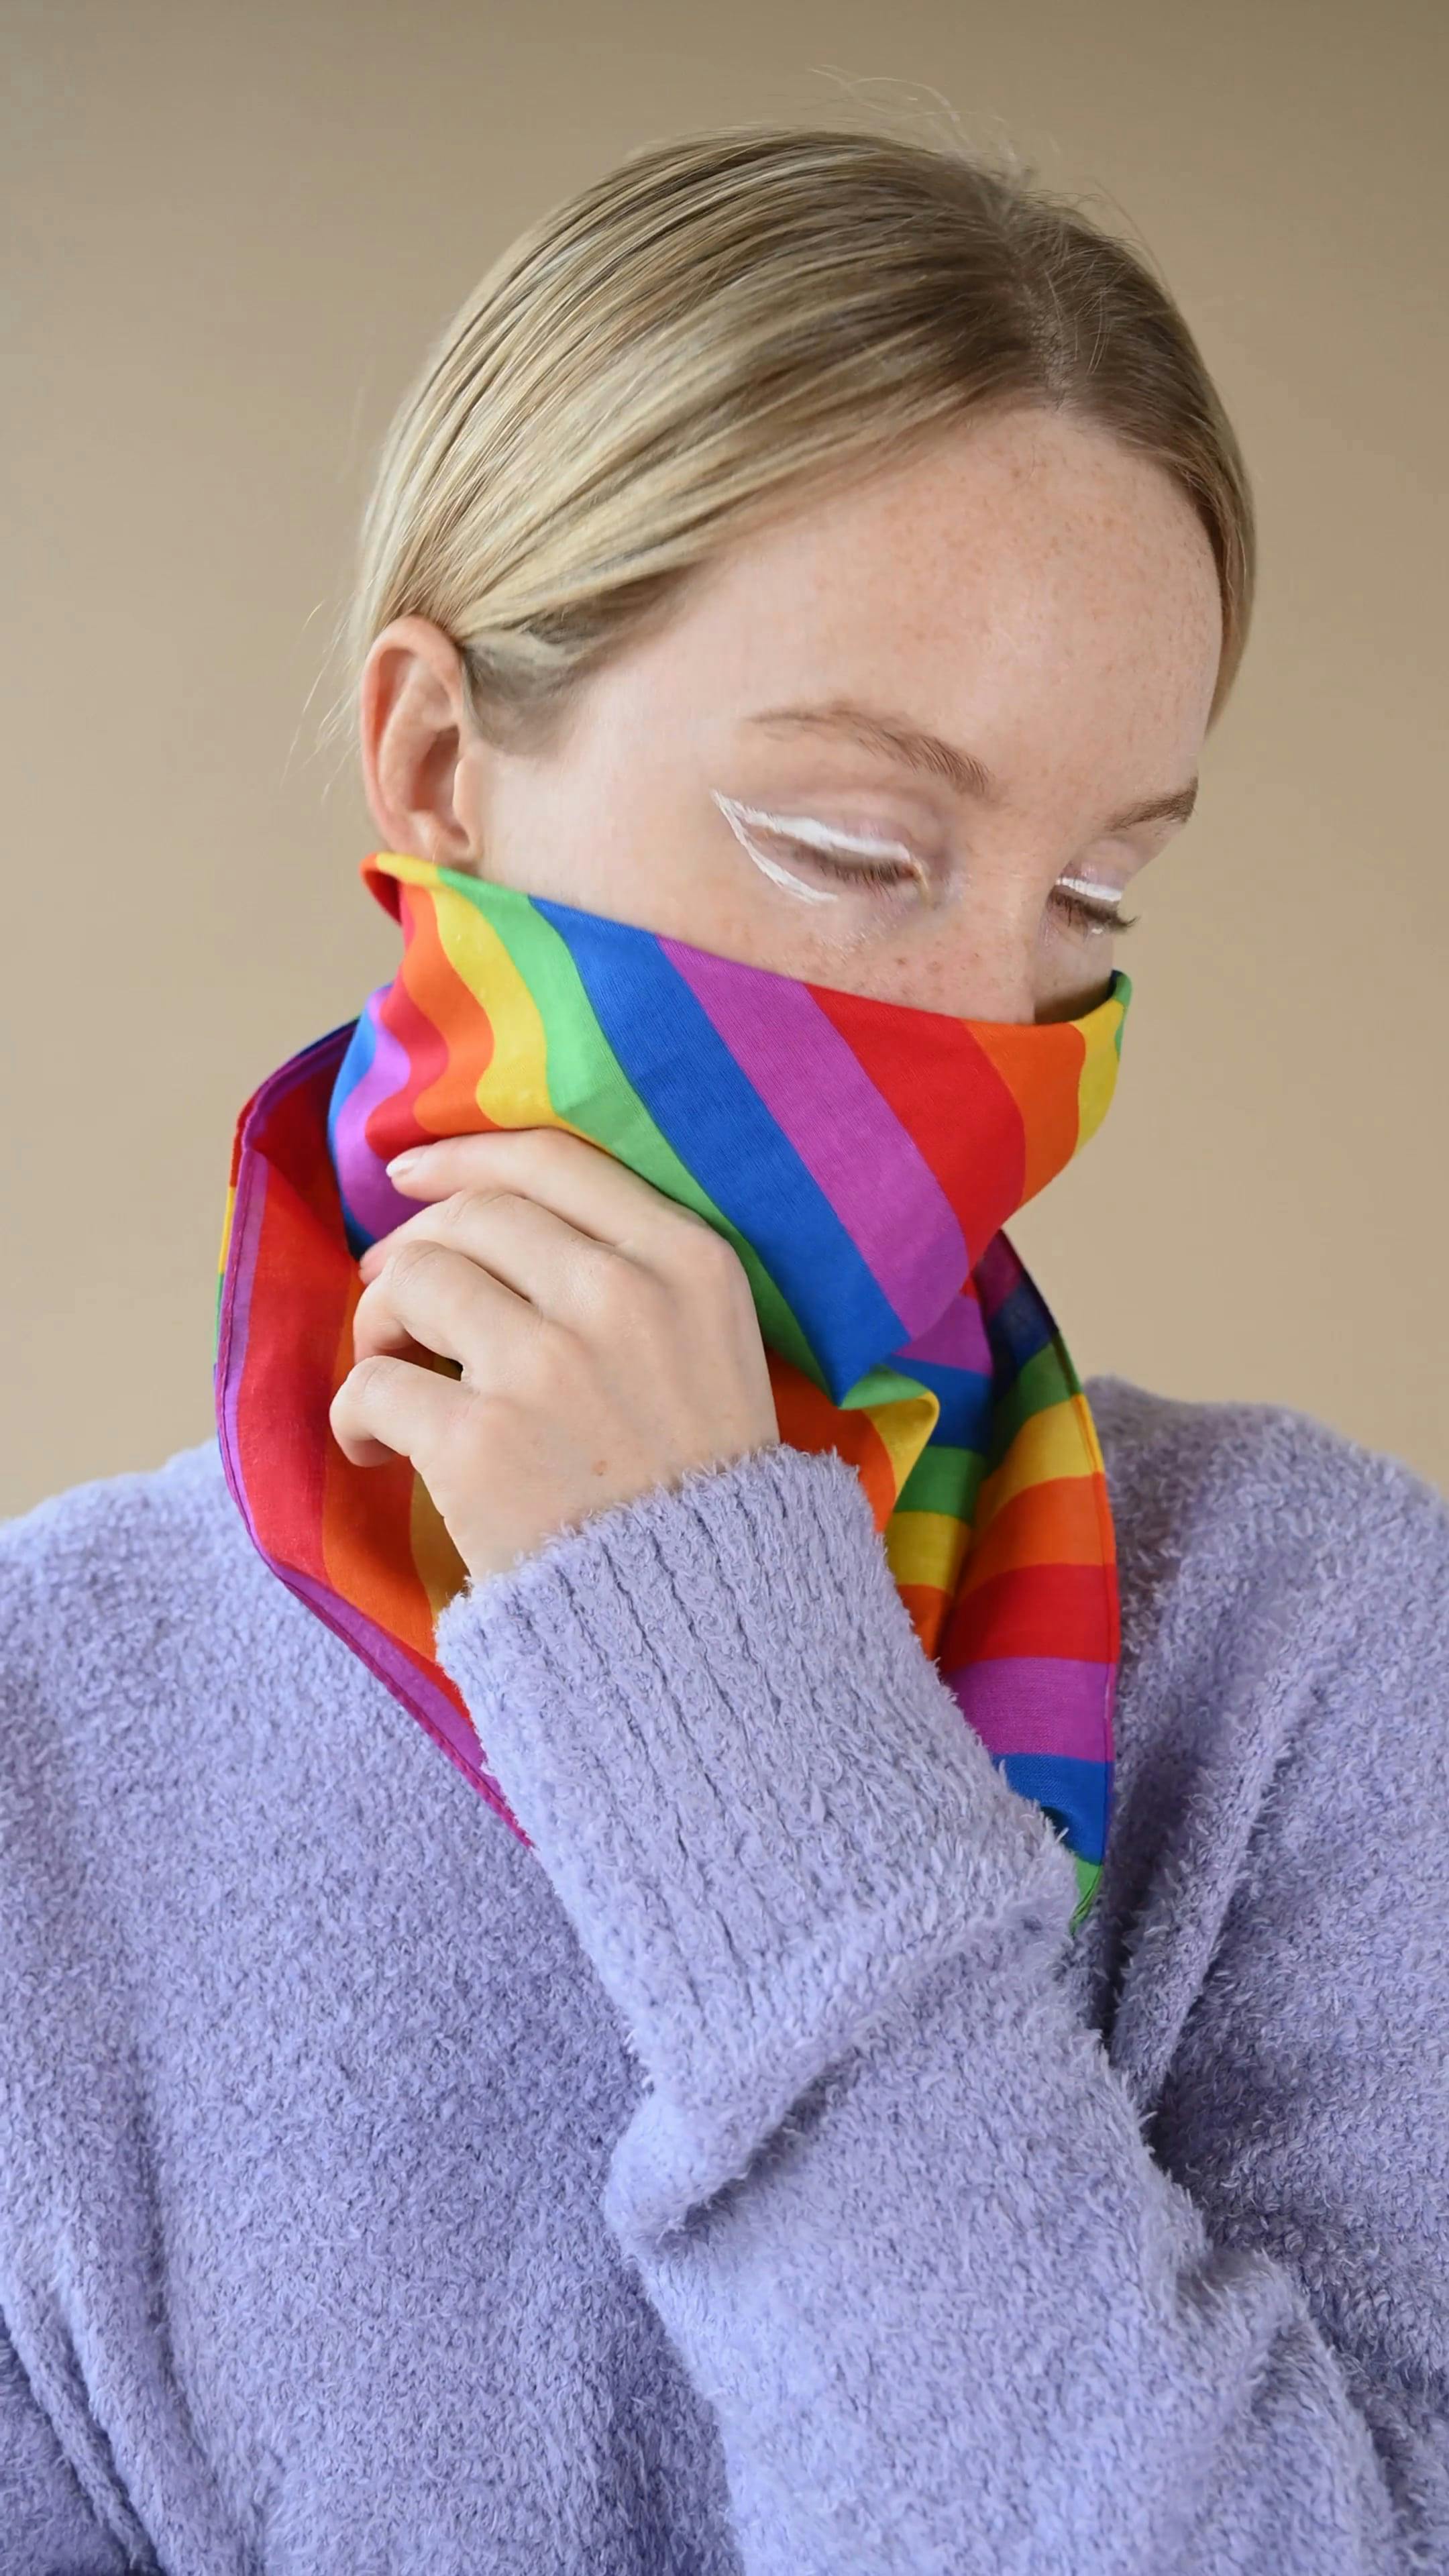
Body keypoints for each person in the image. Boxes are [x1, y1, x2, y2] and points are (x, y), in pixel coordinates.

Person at [1, 121, 1444, 2576]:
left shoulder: (1315, 1638)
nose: (993, 1011)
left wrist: (721, 1666)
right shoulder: (45, 1732)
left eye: (1099, 893)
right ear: (439, 765)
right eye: (861, 847)